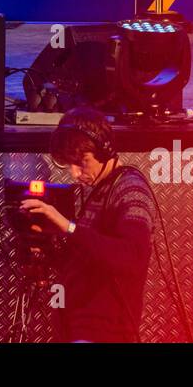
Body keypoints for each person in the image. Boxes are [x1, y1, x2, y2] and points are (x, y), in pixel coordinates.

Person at [21, 109, 156, 342]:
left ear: (105, 151)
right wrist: (49, 241)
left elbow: (133, 257)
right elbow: (89, 259)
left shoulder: (130, 190)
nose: (75, 174)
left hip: (105, 331)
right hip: (79, 327)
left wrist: (68, 227)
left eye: (82, 162)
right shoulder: (99, 191)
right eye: (69, 165)